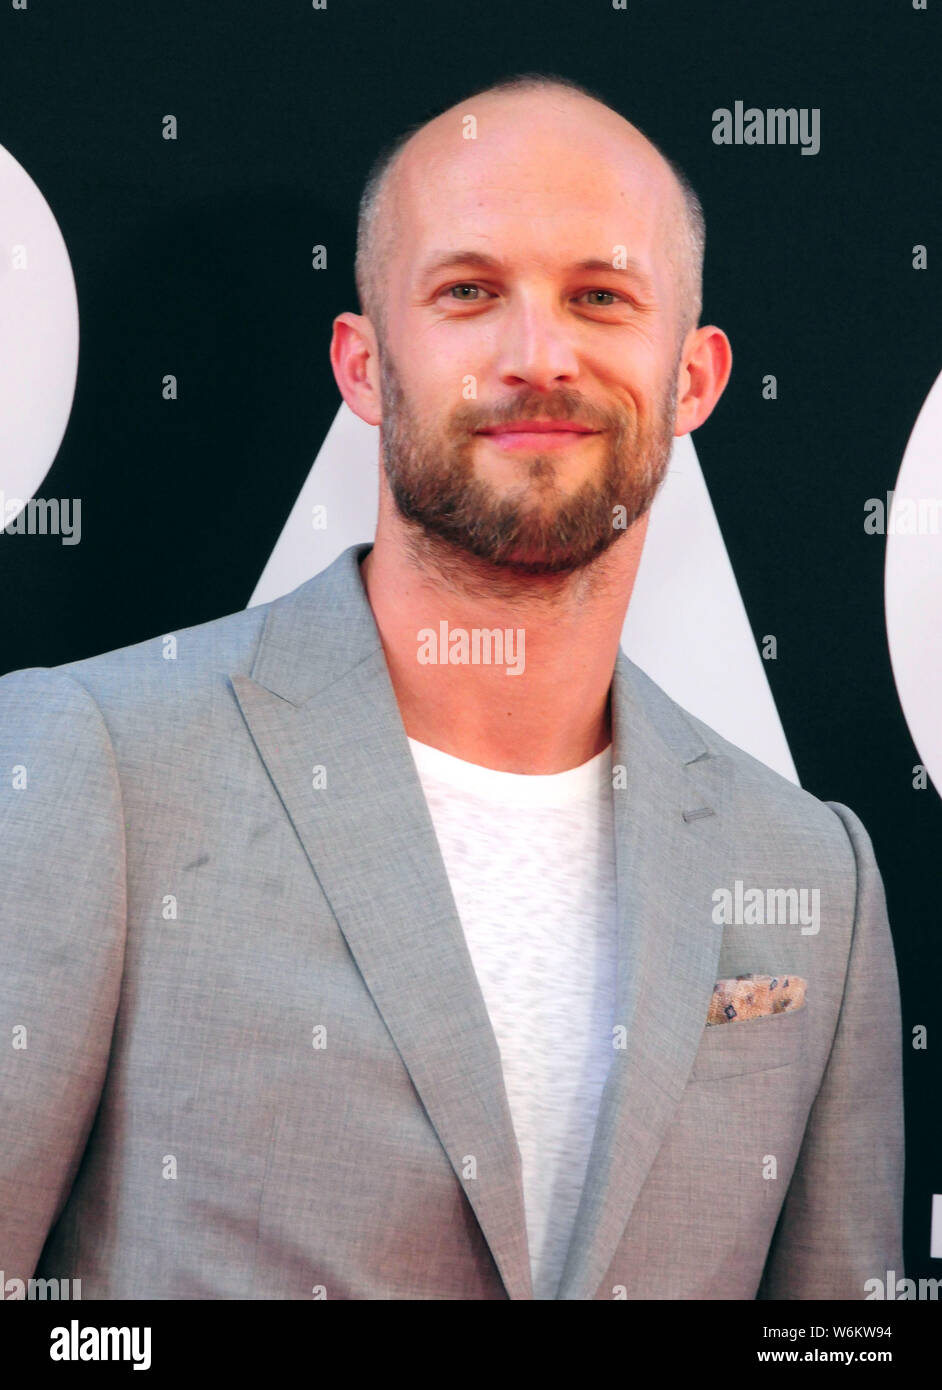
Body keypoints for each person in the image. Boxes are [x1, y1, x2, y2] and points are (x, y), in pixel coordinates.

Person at [0, 73, 903, 1300]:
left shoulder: (814, 875)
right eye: (470, 292)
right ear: (364, 365)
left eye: (601, 295)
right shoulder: (94, 763)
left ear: (693, 377)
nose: (538, 358)